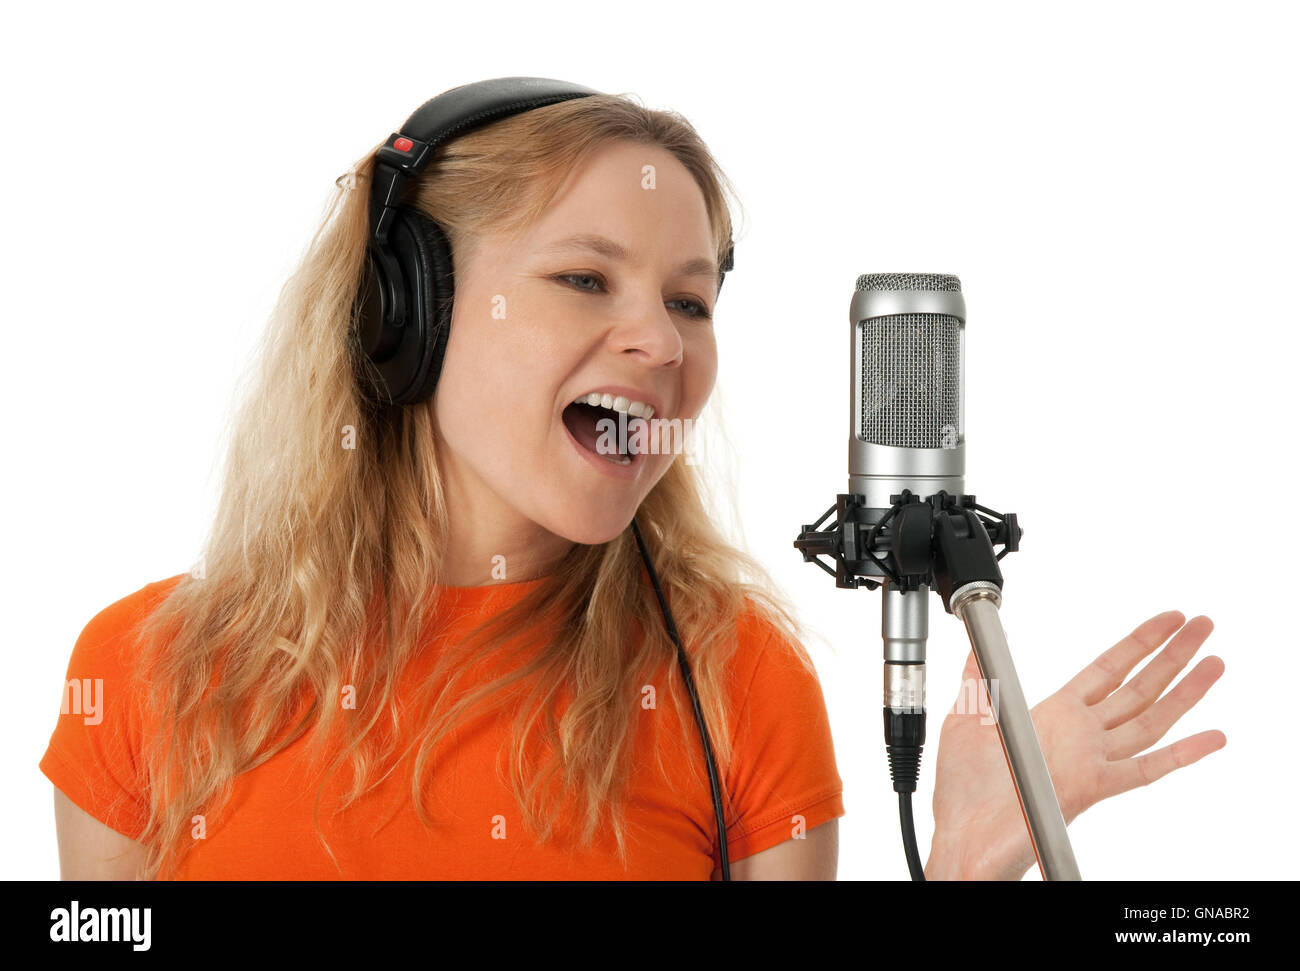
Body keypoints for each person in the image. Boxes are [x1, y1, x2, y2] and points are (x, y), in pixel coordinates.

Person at [40, 86, 1226, 881]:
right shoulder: (145, 667)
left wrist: (963, 859)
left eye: (691, 299)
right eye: (583, 279)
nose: (661, 344)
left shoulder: (734, 678)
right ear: (404, 313)